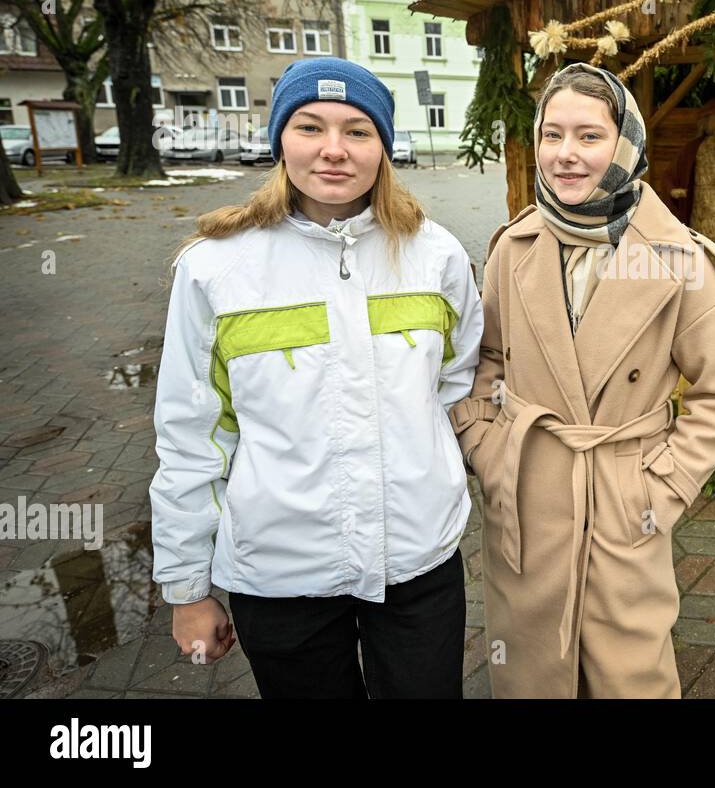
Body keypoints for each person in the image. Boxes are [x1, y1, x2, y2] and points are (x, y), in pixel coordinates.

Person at [149, 57, 483, 698]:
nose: (334, 150)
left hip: (416, 561)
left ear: (383, 145)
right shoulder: (214, 269)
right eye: (310, 127)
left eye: (358, 130)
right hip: (280, 575)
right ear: (280, 140)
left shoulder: (434, 255)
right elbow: (191, 435)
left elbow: (454, 381)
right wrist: (188, 589)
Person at [450, 62, 715, 698]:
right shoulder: (513, 246)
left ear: (625, 143)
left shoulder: (683, 259)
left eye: (588, 136)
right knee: (531, 665)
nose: (566, 155)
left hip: (623, 489)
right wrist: (489, 447)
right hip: (529, 485)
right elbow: (490, 360)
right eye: (552, 135)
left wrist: (659, 487)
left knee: (628, 670)